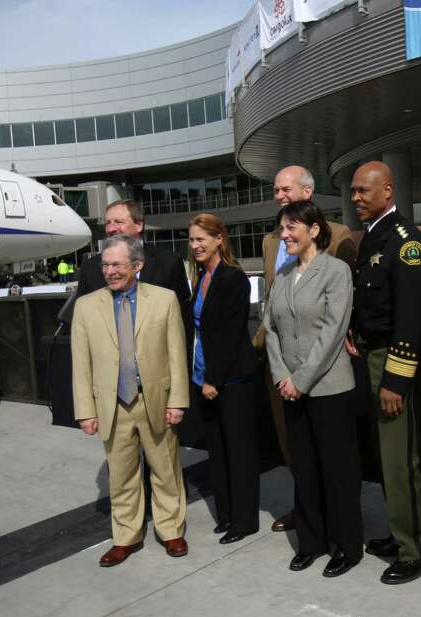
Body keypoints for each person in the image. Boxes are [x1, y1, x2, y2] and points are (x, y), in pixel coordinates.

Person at [71, 234, 190, 567]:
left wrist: (177, 401)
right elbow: (81, 365)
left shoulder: (164, 300)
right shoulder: (86, 306)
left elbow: (177, 355)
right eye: (105, 265)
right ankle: (126, 537)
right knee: (121, 476)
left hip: (155, 401)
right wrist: (85, 411)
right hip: (112, 406)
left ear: (137, 265)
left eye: (117, 265)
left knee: (165, 470)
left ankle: (171, 530)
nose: (109, 271)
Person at [344, 161, 421, 585]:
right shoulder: (373, 236)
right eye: (353, 191)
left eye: (363, 190)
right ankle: (402, 534)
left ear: (387, 191)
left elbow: (411, 319)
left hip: (392, 362)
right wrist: (355, 329)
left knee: (400, 461)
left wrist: (395, 381)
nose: (355, 198)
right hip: (371, 355)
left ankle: (416, 548)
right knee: (386, 457)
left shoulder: (406, 242)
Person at [253, 165, 356, 533]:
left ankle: (334, 515)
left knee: (330, 450)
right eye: (276, 190)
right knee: (292, 442)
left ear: (308, 192)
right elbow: (272, 300)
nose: (279, 195)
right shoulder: (270, 241)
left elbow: (341, 305)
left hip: (323, 366)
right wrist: (278, 364)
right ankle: (306, 508)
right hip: (280, 362)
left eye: (286, 189)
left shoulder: (339, 235)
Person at [263, 201, 362, 578]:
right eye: (282, 229)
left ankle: (346, 545)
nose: (284, 235)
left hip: (328, 389)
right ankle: (312, 542)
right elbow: (270, 328)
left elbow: (333, 332)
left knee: (337, 472)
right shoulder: (283, 274)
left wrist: (300, 380)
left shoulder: (335, 271)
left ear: (314, 230)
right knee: (304, 470)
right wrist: (281, 376)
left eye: (291, 228)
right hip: (290, 389)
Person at [187, 213, 260, 544]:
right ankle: (227, 514)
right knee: (217, 451)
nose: (195, 245)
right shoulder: (200, 276)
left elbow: (231, 334)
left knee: (239, 453)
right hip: (203, 378)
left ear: (219, 239)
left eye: (201, 239)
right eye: (192, 240)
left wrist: (213, 380)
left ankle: (244, 521)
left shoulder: (234, 278)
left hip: (231, 382)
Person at [76, 199, 192, 356]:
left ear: (139, 225)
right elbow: (82, 327)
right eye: (108, 223)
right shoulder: (91, 268)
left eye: (118, 222)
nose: (111, 228)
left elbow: (182, 323)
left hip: (156, 362)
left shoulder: (169, 262)